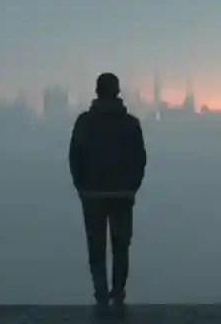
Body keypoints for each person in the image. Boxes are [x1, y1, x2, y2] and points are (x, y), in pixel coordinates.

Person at [69, 72, 147, 306]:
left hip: (92, 195)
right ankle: (119, 292)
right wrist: (132, 187)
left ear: (97, 92)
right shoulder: (131, 124)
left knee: (96, 246)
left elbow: (75, 158)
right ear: (117, 93)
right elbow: (140, 159)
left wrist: (81, 187)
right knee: (121, 246)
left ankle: (101, 293)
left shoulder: (84, 122)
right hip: (122, 194)